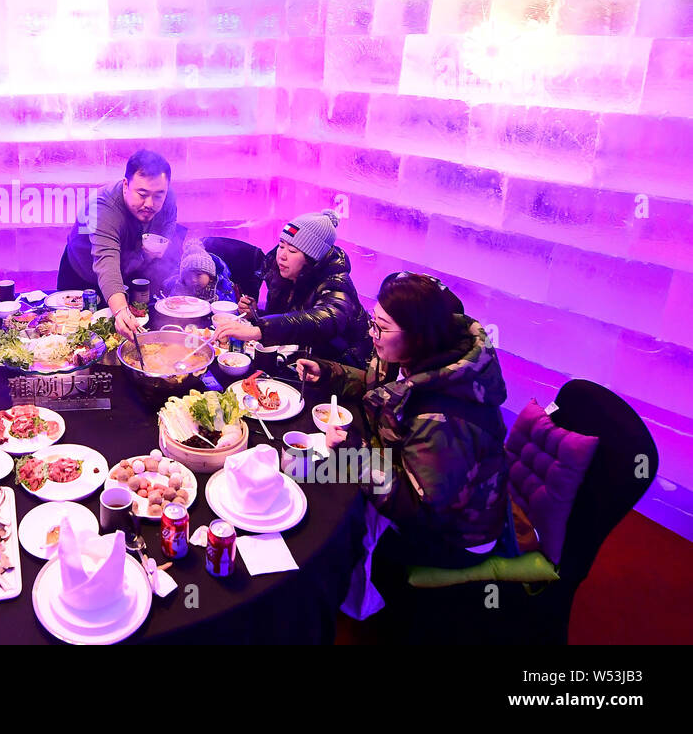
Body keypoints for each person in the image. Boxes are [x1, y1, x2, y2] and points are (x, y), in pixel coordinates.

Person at [296, 272, 510, 569]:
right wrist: (330, 374)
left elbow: (419, 509)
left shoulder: (445, 416)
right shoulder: (414, 355)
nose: (372, 333)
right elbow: (384, 390)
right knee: (311, 476)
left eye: (381, 327)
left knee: (332, 536)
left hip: (454, 537)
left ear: (417, 335)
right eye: (374, 321)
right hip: (406, 469)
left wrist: (352, 453)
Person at [212, 209, 371, 367]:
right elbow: (284, 319)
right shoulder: (281, 273)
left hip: (340, 367)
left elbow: (328, 318)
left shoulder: (336, 281)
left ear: (312, 259)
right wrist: (254, 314)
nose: (282, 255)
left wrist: (259, 330)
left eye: (293, 250)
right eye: (281, 246)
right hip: (298, 360)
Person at [60, 148, 185, 341]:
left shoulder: (166, 197)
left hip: (128, 269)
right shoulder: (102, 206)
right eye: (142, 194)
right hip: (84, 276)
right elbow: (106, 262)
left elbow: (169, 224)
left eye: (158, 195)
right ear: (126, 185)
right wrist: (120, 312)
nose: (150, 203)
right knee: (80, 339)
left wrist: (161, 247)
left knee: (129, 335)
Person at [160, 238, 236, 304]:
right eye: (188, 276)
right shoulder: (178, 287)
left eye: (198, 274)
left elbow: (231, 309)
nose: (193, 280)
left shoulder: (222, 287)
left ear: (210, 275)